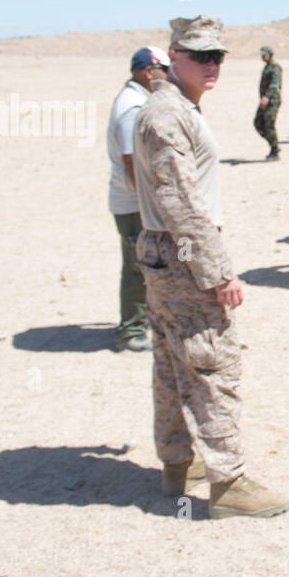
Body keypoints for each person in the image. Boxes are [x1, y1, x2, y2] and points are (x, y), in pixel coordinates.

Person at [133, 15, 289, 519]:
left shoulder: (178, 107)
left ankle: (178, 465)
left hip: (167, 253)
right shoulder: (165, 114)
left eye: (217, 56)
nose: (210, 65)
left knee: (173, 362)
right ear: (172, 55)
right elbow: (181, 201)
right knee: (212, 365)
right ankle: (229, 482)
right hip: (183, 257)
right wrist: (219, 272)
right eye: (199, 55)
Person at [106, 46, 170, 352]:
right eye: (164, 71)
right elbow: (132, 164)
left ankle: (141, 322)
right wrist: (149, 207)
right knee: (137, 267)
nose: (168, 77)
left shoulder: (136, 100)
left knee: (143, 264)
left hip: (133, 201)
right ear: (149, 72)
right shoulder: (132, 108)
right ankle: (130, 331)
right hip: (133, 204)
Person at [254, 45, 282, 160]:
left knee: (269, 125)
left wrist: (267, 96)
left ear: (270, 54)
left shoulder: (275, 67)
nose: (262, 57)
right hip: (265, 100)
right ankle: (273, 144)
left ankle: (274, 150)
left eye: (264, 55)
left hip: (272, 101)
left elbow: (274, 84)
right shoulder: (267, 67)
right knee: (258, 123)